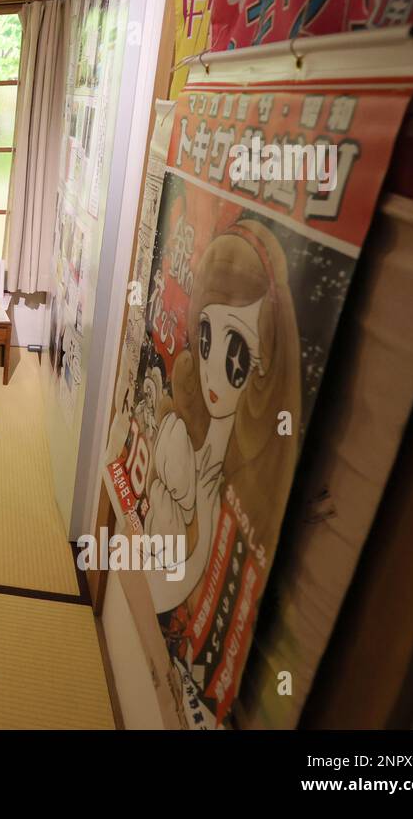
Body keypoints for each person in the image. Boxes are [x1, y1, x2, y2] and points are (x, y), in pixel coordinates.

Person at [143, 218, 301, 614]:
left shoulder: (243, 484)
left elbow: (176, 581)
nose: (212, 370)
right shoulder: (186, 428)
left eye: (237, 353)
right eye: (206, 338)